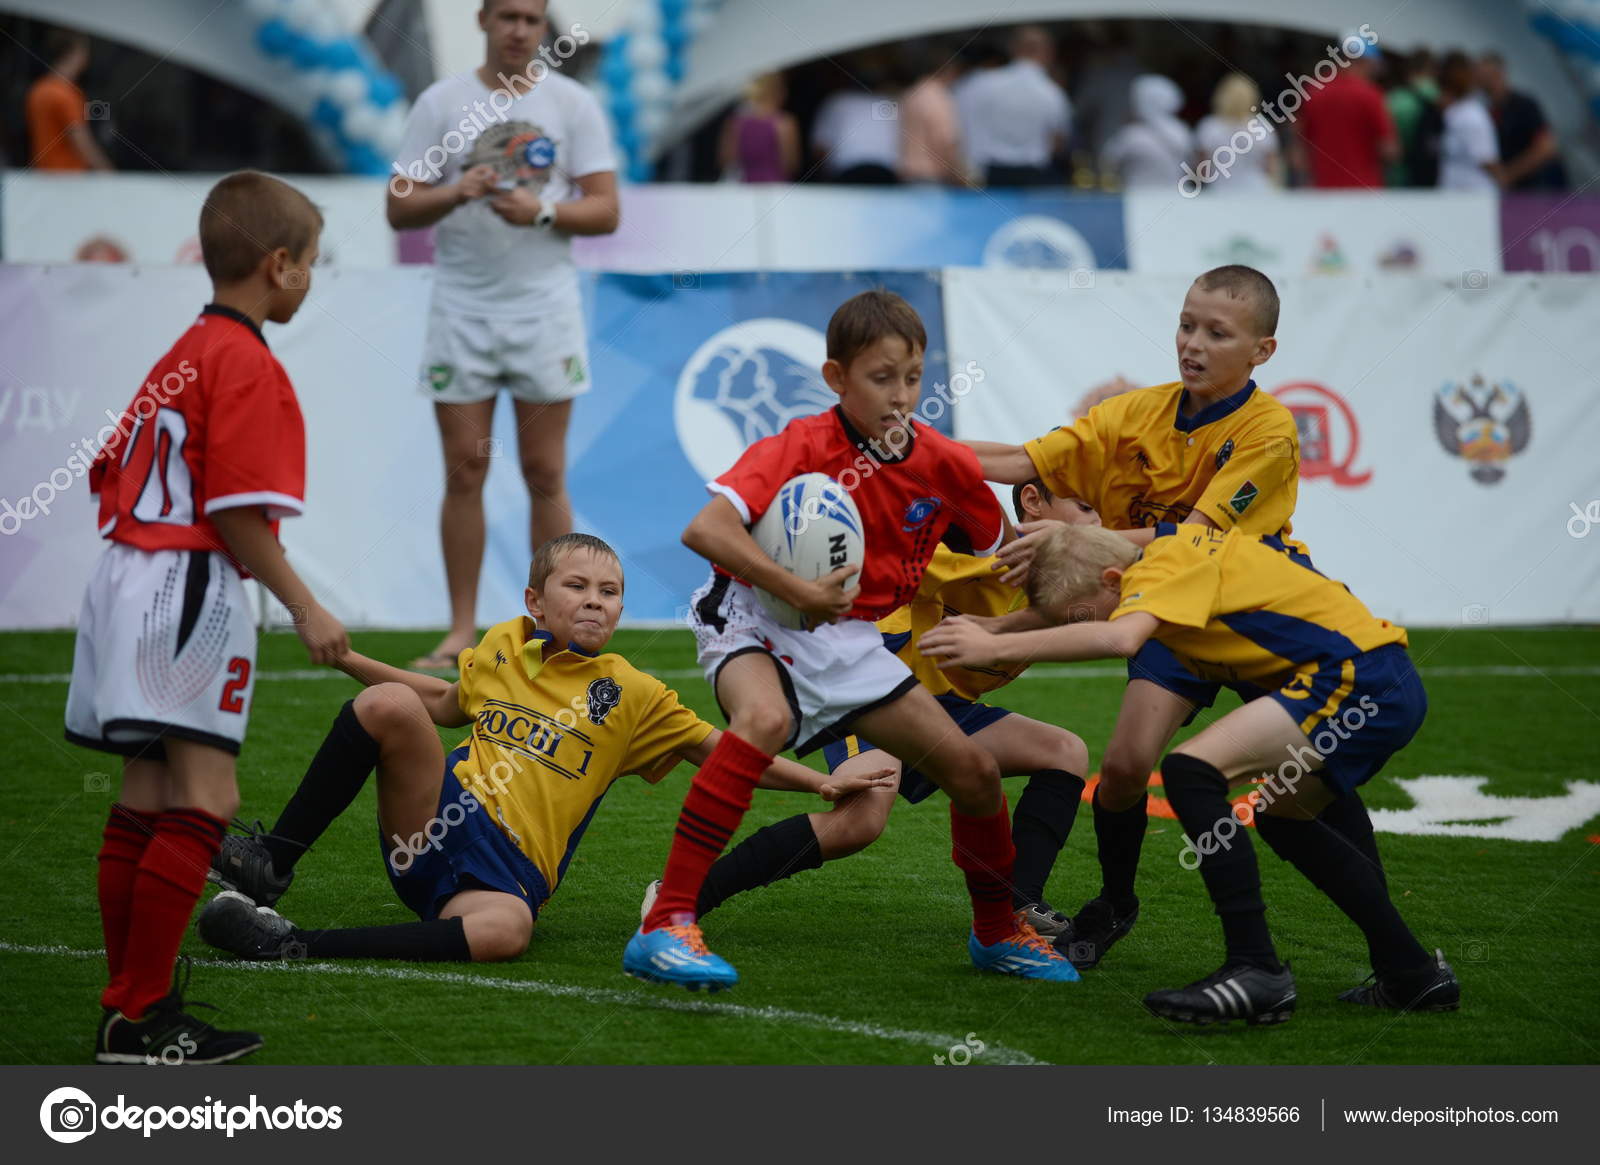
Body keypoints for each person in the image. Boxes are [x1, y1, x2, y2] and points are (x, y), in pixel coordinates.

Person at [624, 289, 1080, 990]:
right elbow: (705, 529)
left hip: (848, 637)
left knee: (975, 774)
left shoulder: (946, 465)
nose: (901, 395)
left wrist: (1089, 560)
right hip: (750, 611)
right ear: (836, 378)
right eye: (881, 377)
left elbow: (1008, 556)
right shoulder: (801, 444)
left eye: (913, 377)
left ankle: (995, 932)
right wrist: (798, 589)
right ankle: (668, 922)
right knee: (765, 719)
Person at [197, 535, 891, 964]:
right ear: (535, 599)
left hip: (508, 874)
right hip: (436, 822)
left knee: (507, 933)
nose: (596, 601)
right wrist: (355, 662)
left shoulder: (634, 691)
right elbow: (441, 703)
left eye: (610, 591)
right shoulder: (503, 644)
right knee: (387, 705)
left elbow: (725, 751)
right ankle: (271, 862)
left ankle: (286, 941)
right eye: (577, 586)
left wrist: (820, 785)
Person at [922, 523, 1461, 1025]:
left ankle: (1257, 969)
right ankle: (1411, 973)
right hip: (1376, 679)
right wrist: (994, 624)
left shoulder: (1158, 571)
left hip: (1355, 681)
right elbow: (1093, 614)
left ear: (1115, 581)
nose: (1090, 620)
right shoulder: (1168, 556)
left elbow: (1120, 637)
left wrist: (993, 644)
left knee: (1190, 769)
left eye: (1088, 610)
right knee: (1284, 818)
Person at [65, 171, 344, 1064]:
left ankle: (131, 1009)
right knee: (207, 799)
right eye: (310, 263)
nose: (311, 277)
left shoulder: (183, 348)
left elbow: (106, 470)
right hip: (186, 583)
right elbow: (232, 510)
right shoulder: (248, 361)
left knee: (145, 794)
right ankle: (140, 1014)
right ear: (278, 265)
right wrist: (307, 607)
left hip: (124, 573)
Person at [960, 265, 1303, 969]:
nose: (1193, 343)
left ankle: (1398, 960)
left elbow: (1198, 534)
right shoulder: (1133, 413)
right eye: (1186, 325)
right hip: (1172, 617)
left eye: (1217, 332)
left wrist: (1071, 542)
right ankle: (1116, 905)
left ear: (1262, 351)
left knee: (1304, 793)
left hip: (1256, 617)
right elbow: (1023, 459)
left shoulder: (1268, 431)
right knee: (1120, 770)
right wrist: (901, 451)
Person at [649, 485, 1102, 939]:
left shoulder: (1083, 576)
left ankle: (1017, 910)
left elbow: (1127, 623)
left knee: (1064, 750)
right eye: (1085, 507)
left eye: (1102, 512)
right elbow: (874, 581)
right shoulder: (967, 553)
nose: (1097, 522)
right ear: (1032, 502)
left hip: (942, 707)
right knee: (859, 822)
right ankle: (680, 898)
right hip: (871, 692)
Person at [388, 0, 620, 670]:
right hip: (462, 307)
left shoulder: (572, 103)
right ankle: (461, 630)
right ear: (483, 20)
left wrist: (543, 210)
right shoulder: (441, 103)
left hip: (543, 310)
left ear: (544, 28)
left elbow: (605, 209)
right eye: (508, 16)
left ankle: (556, 630)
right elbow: (400, 205)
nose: (520, 30)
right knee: (466, 469)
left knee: (546, 470)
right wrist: (456, 191)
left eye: (532, 18)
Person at [961, 25, 1071, 186]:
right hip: (1033, 175)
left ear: (1013, 48)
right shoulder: (1052, 93)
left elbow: (961, 125)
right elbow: (1058, 142)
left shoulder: (980, 84)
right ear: (1048, 52)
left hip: (991, 173)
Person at [1292, 38, 1396, 188]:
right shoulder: (1371, 95)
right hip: (1364, 189)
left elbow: (1299, 154)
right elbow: (1389, 150)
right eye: (1374, 66)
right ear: (1362, 62)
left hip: (1323, 190)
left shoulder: (1313, 90)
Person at [26, 27, 114, 172]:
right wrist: (108, 172)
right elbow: (82, 143)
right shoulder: (67, 95)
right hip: (68, 180)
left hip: (42, 176)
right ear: (77, 53)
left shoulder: (37, 90)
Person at [1479, 51, 1566, 191]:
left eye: (1487, 76)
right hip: (1506, 192)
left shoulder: (1524, 106)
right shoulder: (1485, 110)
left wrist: (1509, 174)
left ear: (1500, 74)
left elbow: (1546, 147)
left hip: (1534, 190)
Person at [1102, 74, 1195, 190]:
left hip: (1138, 201)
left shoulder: (1131, 134)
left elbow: (1107, 161)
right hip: (1178, 198)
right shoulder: (1182, 131)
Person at [810, 68, 901, 184]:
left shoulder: (837, 100)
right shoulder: (888, 103)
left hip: (848, 168)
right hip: (885, 169)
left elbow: (820, 148)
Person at [1195, 73, 1282, 194]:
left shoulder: (1209, 127)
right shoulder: (1262, 126)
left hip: (1220, 191)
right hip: (1258, 192)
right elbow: (1271, 168)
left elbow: (1203, 171)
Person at [898, 50, 967, 185]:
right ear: (950, 70)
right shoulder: (938, 96)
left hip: (909, 174)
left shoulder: (911, 93)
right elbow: (945, 139)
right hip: (931, 177)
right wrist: (959, 174)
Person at [1436, 50, 1502, 192]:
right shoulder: (1454, 113)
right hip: (1455, 198)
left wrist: (1505, 183)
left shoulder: (1472, 115)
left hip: (1474, 198)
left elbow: (1487, 161)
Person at [719, 73, 799, 183]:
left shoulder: (737, 122)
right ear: (779, 90)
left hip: (744, 185)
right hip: (775, 186)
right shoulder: (784, 123)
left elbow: (726, 160)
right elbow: (790, 164)